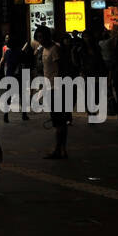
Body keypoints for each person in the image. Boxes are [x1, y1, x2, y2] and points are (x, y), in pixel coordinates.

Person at [41, 27, 68, 159]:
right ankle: (61, 149)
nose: (39, 40)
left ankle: (59, 149)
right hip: (49, 88)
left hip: (56, 89)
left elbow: (60, 68)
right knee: (58, 121)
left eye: (41, 37)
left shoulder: (55, 49)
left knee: (59, 121)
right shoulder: (44, 49)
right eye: (38, 37)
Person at [0, 32, 21, 122]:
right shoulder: (18, 52)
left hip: (9, 75)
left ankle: (6, 114)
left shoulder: (8, 52)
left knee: (8, 95)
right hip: (18, 75)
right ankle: (24, 114)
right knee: (22, 94)